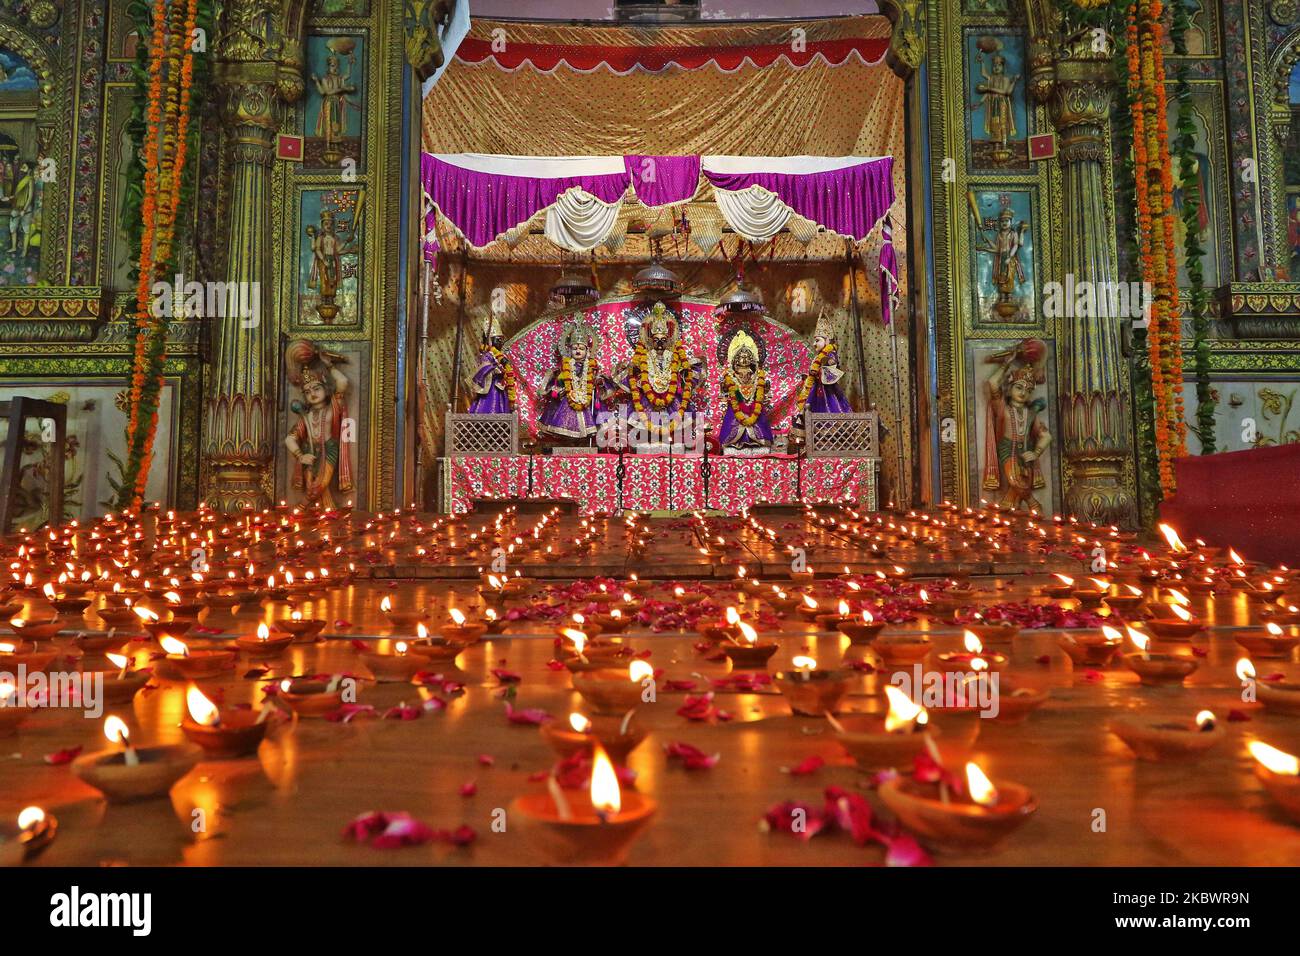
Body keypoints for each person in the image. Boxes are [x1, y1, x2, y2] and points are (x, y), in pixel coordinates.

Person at [982, 343, 1051, 512]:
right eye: (1018, 387)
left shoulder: (1031, 413)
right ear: (1010, 388)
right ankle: (1034, 504)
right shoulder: (1003, 407)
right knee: (1015, 480)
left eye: (1027, 390)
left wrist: (1035, 453)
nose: (1022, 393)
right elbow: (992, 383)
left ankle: (1008, 512)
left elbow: (1046, 436)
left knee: (1018, 487)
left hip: (1025, 452)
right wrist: (1007, 363)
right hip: (1007, 448)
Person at [285, 349, 353, 508]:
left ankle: (300, 509)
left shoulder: (332, 408)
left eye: (316, 388)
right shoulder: (306, 416)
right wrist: (301, 455)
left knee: (318, 486)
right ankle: (329, 513)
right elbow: (290, 439)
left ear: (326, 388)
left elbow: (343, 383)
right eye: (307, 392)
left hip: (328, 450)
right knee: (311, 486)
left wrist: (329, 365)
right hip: (309, 452)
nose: (312, 394)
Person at [537, 317, 606, 444]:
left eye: (581, 348)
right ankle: (567, 442)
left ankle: (580, 442)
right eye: (575, 348)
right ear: (569, 350)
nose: (578, 351)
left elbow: (597, 382)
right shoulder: (565, 366)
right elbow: (557, 383)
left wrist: (598, 382)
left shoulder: (592, 367)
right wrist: (558, 390)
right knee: (563, 423)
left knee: (586, 425)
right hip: (567, 400)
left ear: (587, 351)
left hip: (585, 399)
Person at [717, 329, 773, 455]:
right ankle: (735, 444)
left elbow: (763, 390)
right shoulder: (731, 376)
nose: (744, 359)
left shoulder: (757, 375)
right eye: (741, 357)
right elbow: (726, 391)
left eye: (747, 357)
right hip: (737, 400)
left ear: (752, 359)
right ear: (735, 359)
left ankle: (757, 443)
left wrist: (763, 392)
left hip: (755, 406)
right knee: (735, 418)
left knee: (758, 420)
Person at [466, 314, 515, 415]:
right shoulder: (486, 354)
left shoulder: (501, 355)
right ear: (490, 341)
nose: (500, 342)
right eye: (498, 340)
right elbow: (483, 367)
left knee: (502, 408)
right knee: (486, 408)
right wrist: (496, 369)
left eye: (501, 340)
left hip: (500, 387)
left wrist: (505, 371)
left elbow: (508, 371)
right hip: (489, 388)